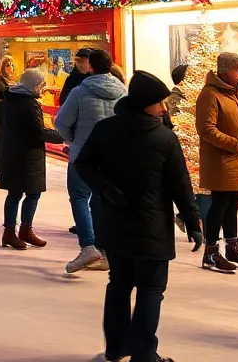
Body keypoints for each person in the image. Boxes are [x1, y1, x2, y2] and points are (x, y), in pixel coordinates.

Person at [74, 71, 203, 362]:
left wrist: (105, 189)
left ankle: (116, 348)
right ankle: (144, 354)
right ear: (146, 103)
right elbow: (180, 186)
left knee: (119, 285)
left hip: (116, 224)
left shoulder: (106, 129)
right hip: (151, 228)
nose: (163, 108)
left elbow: (84, 165)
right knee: (151, 289)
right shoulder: (164, 137)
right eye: (159, 103)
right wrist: (193, 223)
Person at [55, 47, 125, 273]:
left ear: (90, 66)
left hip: (83, 154)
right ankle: (104, 250)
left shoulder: (80, 91)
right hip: (112, 156)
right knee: (101, 199)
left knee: (78, 196)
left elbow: (61, 122)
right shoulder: (122, 90)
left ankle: (88, 246)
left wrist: (72, 139)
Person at [195, 51, 238, 274]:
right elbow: (207, 129)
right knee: (220, 204)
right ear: (225, 72)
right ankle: (211, 253)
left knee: (232, 203)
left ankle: (232, 248)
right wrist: (235, 144)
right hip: (221, 160)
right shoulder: (210, 95)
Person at [0, 68, 64, 249]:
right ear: (34, 85)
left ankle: (11, 232)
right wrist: (62, 136)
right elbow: (38, 131)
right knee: (31, 193)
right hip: (27, 155)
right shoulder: (29, 103)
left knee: (15, 193)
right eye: (41, 85)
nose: (42, 89)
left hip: (12, 151)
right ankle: (22, 230)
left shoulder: (10, 99)